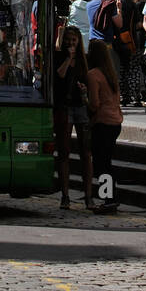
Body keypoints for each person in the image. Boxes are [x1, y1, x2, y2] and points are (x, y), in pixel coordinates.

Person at [54, 26, 93, 210]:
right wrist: (68, 58)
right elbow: (59, 75)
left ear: (78, 41)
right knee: (64, 152)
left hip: (80, 107)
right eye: (68, 40)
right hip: (65, 107)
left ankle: (88, 196)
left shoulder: (83, 61)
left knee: (86, 152)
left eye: (74, 40)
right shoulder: (60, 57)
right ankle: (65, 196)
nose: (71, 43)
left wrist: (85, 92)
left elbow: (88, 82)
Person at [87, 39, 123, 213]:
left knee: (101, 163)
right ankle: (109, 198)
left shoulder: (93, 75)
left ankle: (108, 199)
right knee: (106, 161)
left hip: (102, 122)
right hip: (115, 121)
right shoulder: (110, 73)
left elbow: (94, 103)